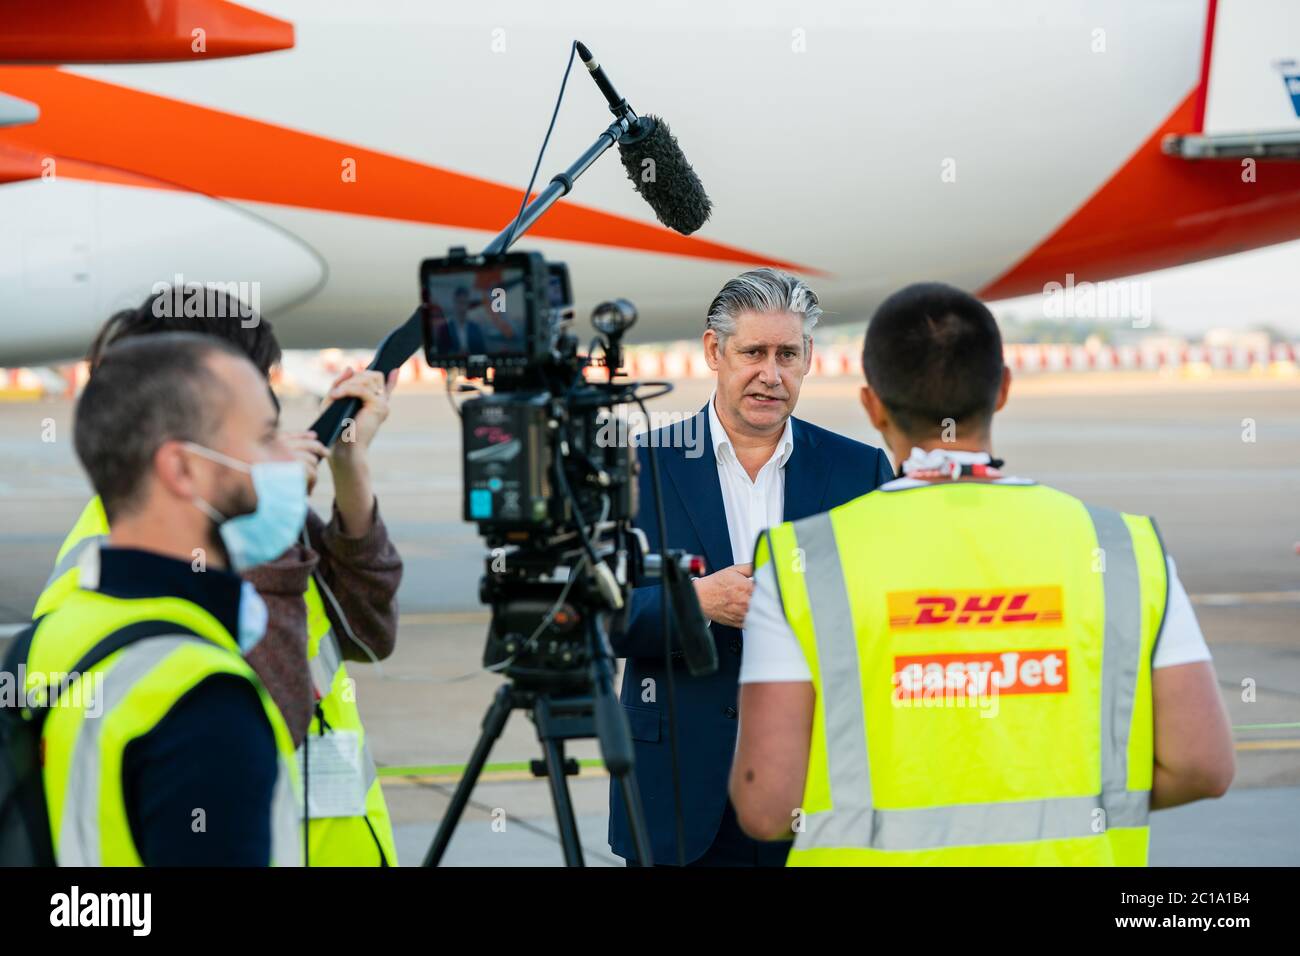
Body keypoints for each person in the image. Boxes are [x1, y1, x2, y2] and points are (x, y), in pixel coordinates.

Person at [730, 282, 1235, 865]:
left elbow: (768, 808)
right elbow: (1203, 765)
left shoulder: (802, 561)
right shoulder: (1124, 548)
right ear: (1003, 390)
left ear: (872, 406)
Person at [33, 287, 403, 866]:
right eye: (261, 433)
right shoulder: (200, 694)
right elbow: (273, 717)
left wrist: (349, 470)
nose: (280, 452)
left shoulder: (226, 529)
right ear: (183, 457)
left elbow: (367, 633)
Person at [608, 268, 894, 866]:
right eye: (754, 352)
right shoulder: (640, 466)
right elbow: (599, 617)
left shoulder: (860, 471)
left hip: (817, 795)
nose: (772, 373)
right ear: (715, 351)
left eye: (788, 353)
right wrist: (697, 603)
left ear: (809, 357)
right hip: (679, 797)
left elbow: (892, 621)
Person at [24, 334, 303, 864]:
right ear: (183, 470)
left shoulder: (44, 641)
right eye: (268, 437)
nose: (290, 458)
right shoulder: (204, 698)